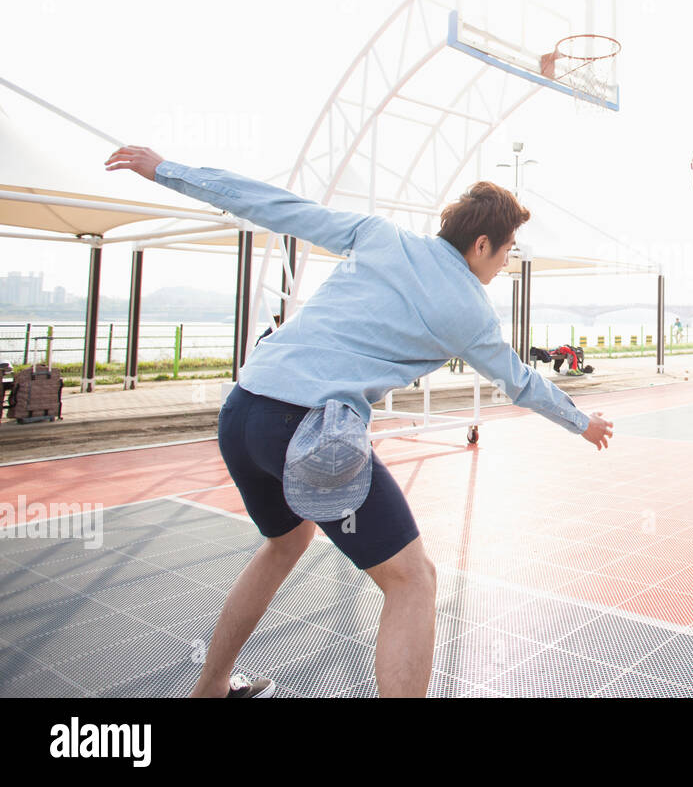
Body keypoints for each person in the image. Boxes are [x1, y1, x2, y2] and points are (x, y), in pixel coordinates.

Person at [105, 146, 614, 698]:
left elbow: (275, 206)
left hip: (242, 410)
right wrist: (582, 422)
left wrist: (165, 169)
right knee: (413, 583)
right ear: (483, 243)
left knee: (283, 544)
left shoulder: (381, 236)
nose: (506, 263)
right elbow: (522, 382)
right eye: (507, 250)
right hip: (302, 431)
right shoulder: (471, 312)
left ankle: (212, 688)